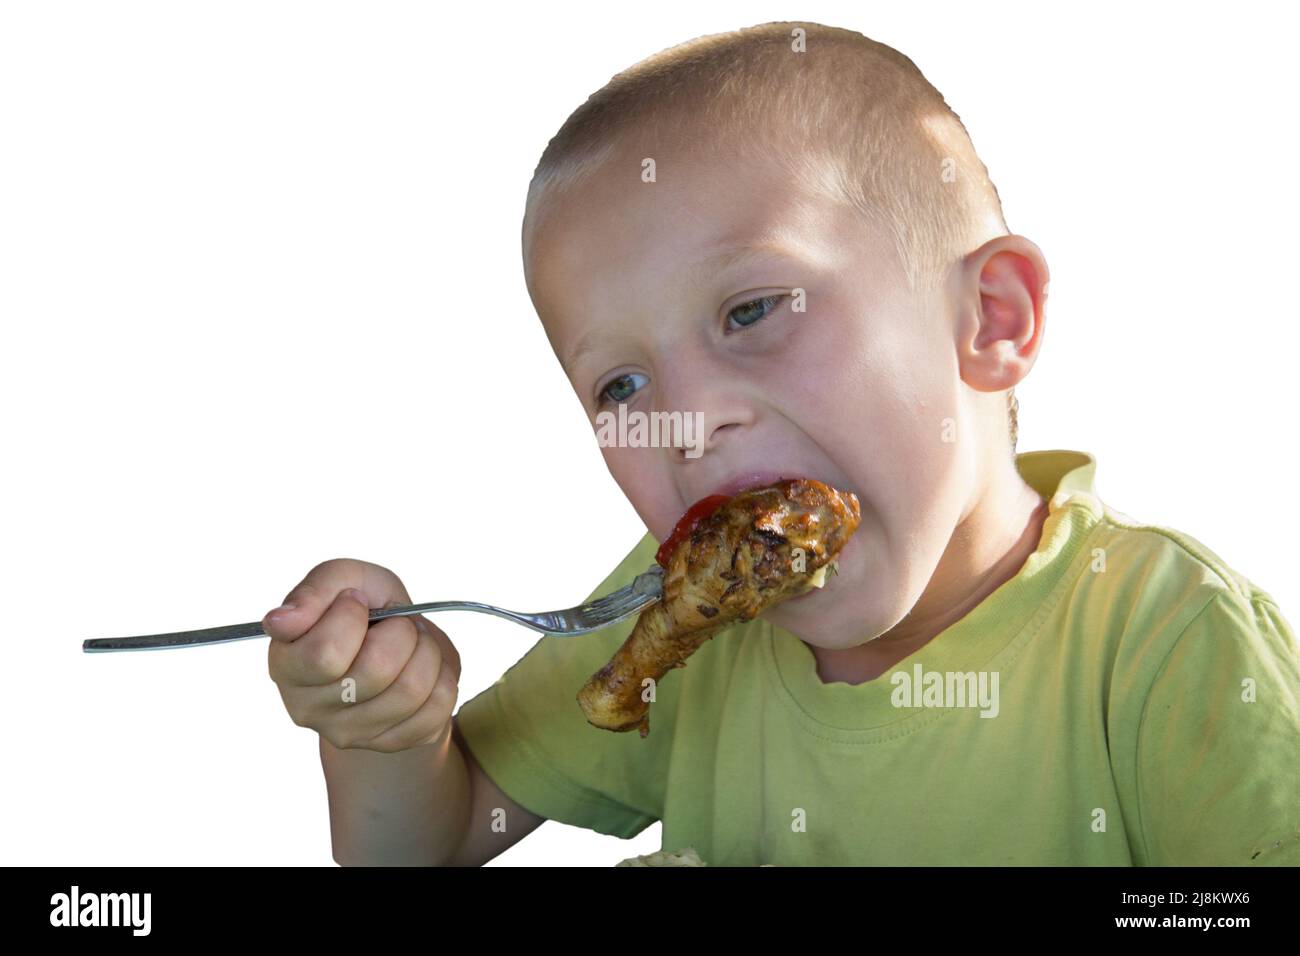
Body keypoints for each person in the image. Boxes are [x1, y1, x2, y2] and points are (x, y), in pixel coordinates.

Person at [262, 20, 1300, 866]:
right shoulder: (683, 619)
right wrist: (380, 731)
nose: (690, 417)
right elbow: (439, 836)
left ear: (990, 319)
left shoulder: (1168, 643)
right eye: (621, 383)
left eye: (754, 310)